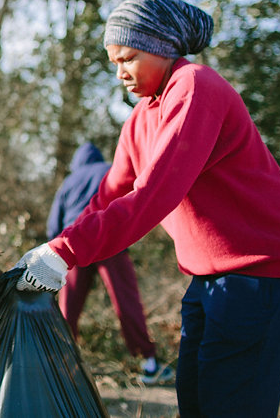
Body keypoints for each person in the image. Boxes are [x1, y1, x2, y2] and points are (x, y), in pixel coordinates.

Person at [15, 0, 280, 417]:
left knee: (229, 399)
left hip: (262, 265)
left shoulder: (195, 87)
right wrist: (53, 249)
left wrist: (66, 251)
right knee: (193, 390)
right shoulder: (140, 119)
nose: (120, 72)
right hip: (209, 273)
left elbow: (155, 194)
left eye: (129, 58)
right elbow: (106, 196)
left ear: (161, 47)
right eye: (114, 62)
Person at [47, 141, 173, 384]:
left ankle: (59, 365)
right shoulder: (109, 170)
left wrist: (56, 251)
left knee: (68, 309)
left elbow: (54, 224)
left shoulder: (69, 182)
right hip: (110, 241)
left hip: (75, 244)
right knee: (126, 302)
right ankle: (148, 362)